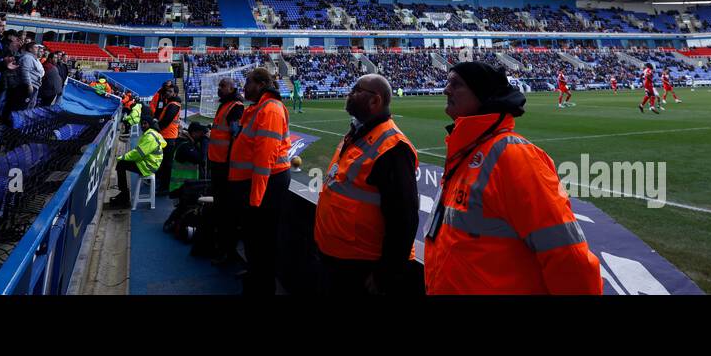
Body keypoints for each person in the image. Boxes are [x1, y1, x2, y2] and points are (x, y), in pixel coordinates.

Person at [424, 62, 602, 295]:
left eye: (456, 84)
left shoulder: (514, 156)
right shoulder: (464, 153)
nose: (446, 89)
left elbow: (566, 254)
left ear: (481, 93)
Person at [314, 73, 419, 296]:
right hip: (336, 255)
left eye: (356, 90)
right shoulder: (357, 132)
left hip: (360, 265)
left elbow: (404, 218)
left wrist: (385, 274)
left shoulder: (394, 148)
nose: (349, 94)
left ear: (375, 101)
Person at [227, 67, 291, 295]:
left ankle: (261, 287)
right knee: (255, 243)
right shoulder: (259, 108)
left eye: (248, 83)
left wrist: (255, 200)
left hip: (266, 187)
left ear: (261, 84)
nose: (244, 87)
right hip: (259, 186)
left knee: (263, 244)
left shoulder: (270, 109)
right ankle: (255, 278)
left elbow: (264, 159)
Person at [207, 77, 245, 263]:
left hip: (225, 167)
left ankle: (226, 250)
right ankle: (221, 246)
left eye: (223, 86)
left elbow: (236, 136)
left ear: (232, 88)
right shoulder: (224, 106)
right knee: (220, 208)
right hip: (217, 163)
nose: (219, 88)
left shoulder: (235, 107)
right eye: (219, 85)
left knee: (226, 211)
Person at [108, 117, 167, 210]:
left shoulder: (150, 137)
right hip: (149, 162)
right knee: (123, 163)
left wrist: (122, 157)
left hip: (148, 166)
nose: (143, 126)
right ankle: (123, 194)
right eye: (142, 124)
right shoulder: (151, 133)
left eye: (145, 123)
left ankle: (124, 197)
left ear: (149, 124)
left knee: (121, 164)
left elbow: (138, 153)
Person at [168, 121, 210, 197]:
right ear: (194, 133)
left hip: (186, 186)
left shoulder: (188, 142)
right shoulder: (185, 146)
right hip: (181, 188)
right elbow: (201, 159)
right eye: (201, 133)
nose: (202, 136)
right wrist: (205, 140)